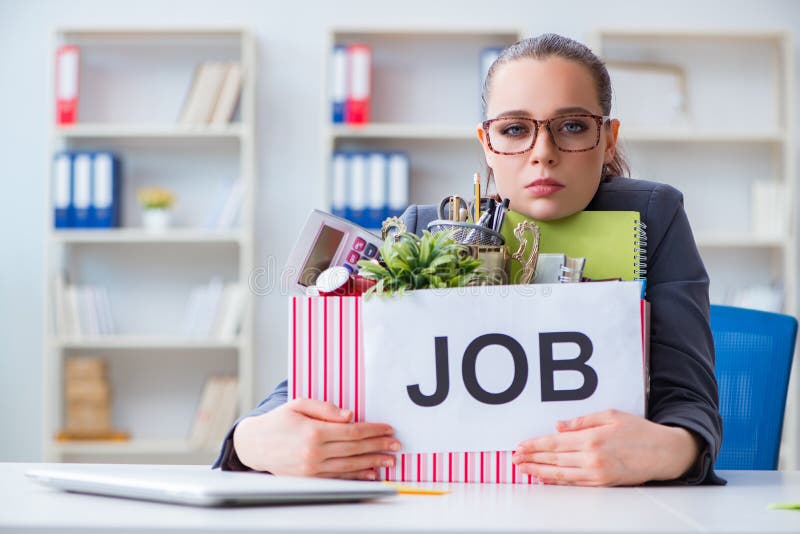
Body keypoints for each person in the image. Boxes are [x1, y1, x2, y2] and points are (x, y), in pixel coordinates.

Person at [214, 33, 724, 486]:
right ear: (487, 143)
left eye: (571, 127)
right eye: (514, 130)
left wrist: (670, 450)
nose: (542, 152)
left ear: (607, 137)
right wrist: (250, 441)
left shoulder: (654, 216)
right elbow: (316, 382)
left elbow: (690, 401)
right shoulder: (422, 232)